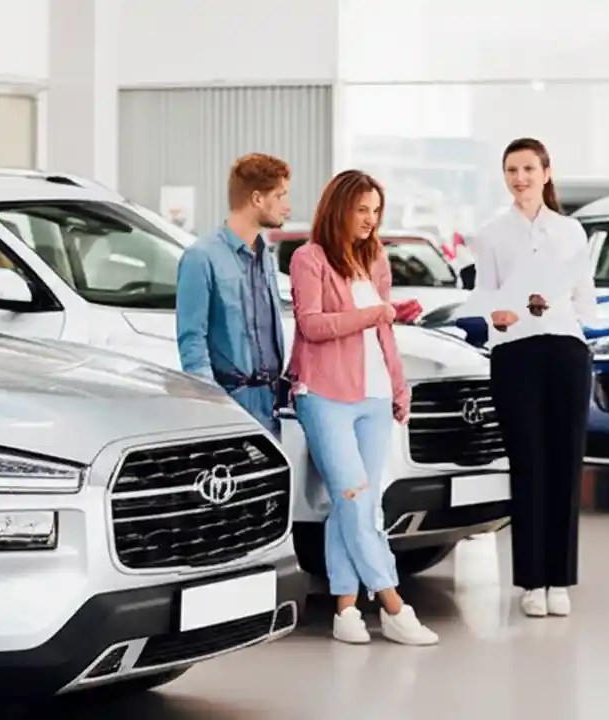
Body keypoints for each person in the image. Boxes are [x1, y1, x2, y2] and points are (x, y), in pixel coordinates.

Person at [287, 169, 433, 646]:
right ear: (339, 208)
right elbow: (311, 325)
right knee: (353, 498)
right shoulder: (308, 259)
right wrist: (377, 313)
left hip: (373, 396)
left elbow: (384, 331)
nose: (370, 220)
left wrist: (398, 384)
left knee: (358, 506)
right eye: (361, 209)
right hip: (324, 394)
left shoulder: (376, 258)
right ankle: (393, 604)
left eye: (376, 211)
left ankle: (346, 612)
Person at [464, 137, 597, 618]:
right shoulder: (492, 233)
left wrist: (557, 306)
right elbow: (483, 296)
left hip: (565, 349)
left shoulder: (571, 231)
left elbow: (586, 299)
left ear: (546, 172)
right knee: (528, 463)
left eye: (527, 169)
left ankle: (558, 579)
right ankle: (530, 581)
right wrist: (497, 315)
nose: (519, 178)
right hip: (514, 352)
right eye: (511, 170)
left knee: (564, 464)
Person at [175, 153, 291, 435]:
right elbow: (192, 341)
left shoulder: (265, 257)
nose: (287, 206)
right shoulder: (201, 257)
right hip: (230, 404)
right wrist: (212, 405)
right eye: (281, 195)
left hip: (271, 404)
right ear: (257, 199)